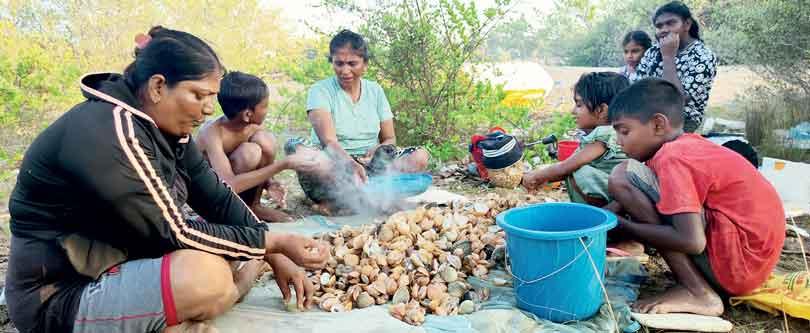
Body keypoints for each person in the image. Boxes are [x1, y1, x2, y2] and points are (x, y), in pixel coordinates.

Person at [5, 26, 328, 333]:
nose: (206, 110)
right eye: (198, 95)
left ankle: (181, 311)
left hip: (112, 266)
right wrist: (275, 243)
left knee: (227, 253)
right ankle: (218, 298)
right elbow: (175, 231)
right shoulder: (110, 130)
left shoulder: (166, 129)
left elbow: (215, 196)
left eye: (211, 98)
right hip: (58, 300)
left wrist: (272, 255)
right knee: (208, 276)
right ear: (158, 87)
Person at [606, 78, 785, 316]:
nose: (619, 142)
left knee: (622, 177)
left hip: (737, 267)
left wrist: (625, 226)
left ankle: (698, 292)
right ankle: (697, 287)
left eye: (625, 131)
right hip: (752, 265)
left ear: (658, 125)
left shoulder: (673, 157)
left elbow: (691, 241)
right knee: (627, 177)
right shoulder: (688, 146)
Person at [288, 29, 430, 212]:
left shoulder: (375, 91)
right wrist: (351, 164)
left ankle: (366, 194)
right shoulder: (320, 91)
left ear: (365, 64)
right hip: (333, 167)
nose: (345, 71)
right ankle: (342, 198)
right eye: (338, 63)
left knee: (419, 156)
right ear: (332, 61)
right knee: (299, 149)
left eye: (352, 63)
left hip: (370, 167)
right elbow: (329, 141)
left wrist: (376, 151)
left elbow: (390, 139)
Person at [197, 71, 319, 222]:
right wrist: (284, 164)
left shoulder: (252, 127)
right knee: (249, 153)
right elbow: (229, 184)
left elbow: (257, 167)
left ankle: (253, 206)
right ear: (248, 114)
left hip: (233, 185)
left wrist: (270, 183)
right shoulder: (212, 133)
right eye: (265, 106)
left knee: (265, 141)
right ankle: (223, 213)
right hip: (212, 196)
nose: (267, 110)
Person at [522, 72, 630, 207]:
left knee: (579, 171)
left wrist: (535, 177)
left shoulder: (606, 133)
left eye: (579, 105)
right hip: (618, 193)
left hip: (618, 198)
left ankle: (597, 214)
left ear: (601, 110)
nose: (573, 111)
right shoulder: (610, 133)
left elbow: (565, 167)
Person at [631, 1, 718, 133]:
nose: (664, 30)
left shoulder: (703, 56)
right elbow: (636, 87)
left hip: (682, 120)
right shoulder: (653, 51)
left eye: (671, 23)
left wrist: (668, 57)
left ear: (687, 24)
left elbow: (676, 100)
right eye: (659, 26)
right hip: (647, 113)